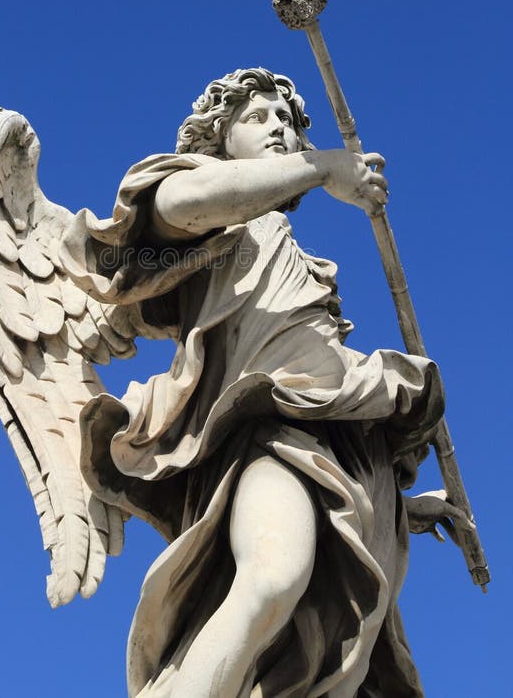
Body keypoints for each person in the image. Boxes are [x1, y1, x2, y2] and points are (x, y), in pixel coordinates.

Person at [60, 68, 446, 697]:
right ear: (218, 135)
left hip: (348, 451)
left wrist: (405, 504)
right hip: (264, 430)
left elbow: (327, 376)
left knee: (332, 655)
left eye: (287, 121)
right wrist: (323, 168)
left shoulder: (295, 256)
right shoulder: (214, 226)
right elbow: (181, 207)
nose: (279, 128)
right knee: (272, 575)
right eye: (259, 116)